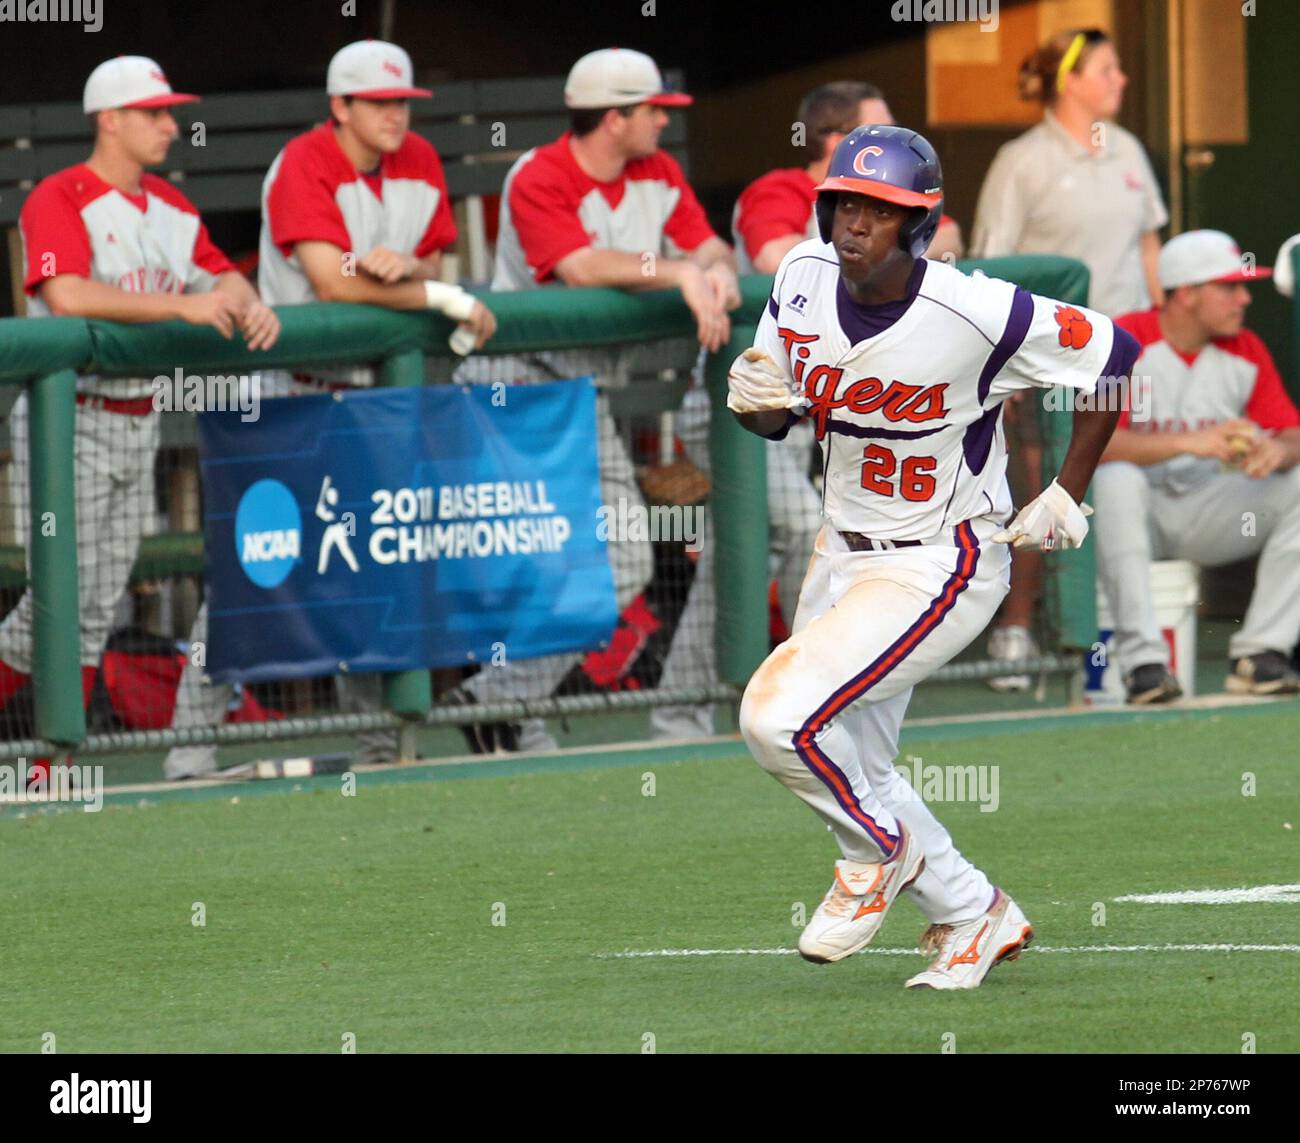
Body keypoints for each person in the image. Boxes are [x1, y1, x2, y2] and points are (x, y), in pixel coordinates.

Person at [730, 125, 1138, 988]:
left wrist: (1067, 487)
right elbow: (775, 418)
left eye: (880, 209)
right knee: (857, 762)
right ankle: (973, 912)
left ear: (920, 224)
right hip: (839, 549)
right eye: (844, 201)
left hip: (937, 562)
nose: (854, 222)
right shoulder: (801, 277)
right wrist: (757, 404)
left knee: (775, 718)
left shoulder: (975, 308)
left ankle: (879, 854)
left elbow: (1116, 356)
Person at [164, 39, 495, 779]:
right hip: (293, 393)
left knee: (375, 567)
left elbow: (433, 253)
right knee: (251, 570)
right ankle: (189, 749)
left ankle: (377, 750)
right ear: (340, 105)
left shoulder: (421, 161)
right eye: (377, 103)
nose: (394, 116)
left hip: (376, 397)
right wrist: (437, 295)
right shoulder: (304, 161)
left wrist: (413, 268)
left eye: (402, 103)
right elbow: (331, 281)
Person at [650, 81, 963, 742]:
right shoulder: (780, 191)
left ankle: (680, 709)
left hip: (814, 418)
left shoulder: (883, 213)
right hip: (745, 403)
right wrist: (900, 242)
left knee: (743, 553)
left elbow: (950, 243)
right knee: (799, 526)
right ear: (836, 142)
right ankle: (820, 694)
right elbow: (776, 258)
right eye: (878, 130)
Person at [0, 56, 280, 783]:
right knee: (53, 605)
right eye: (154, 112)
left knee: (94, 610)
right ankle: (47, 760)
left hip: (137, 418)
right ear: (110, 119)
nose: (171, 123)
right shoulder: (59, 196)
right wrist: (181, 306)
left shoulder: (172, 207)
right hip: (70, 420)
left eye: (169, 111)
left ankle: (48, 770)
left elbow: (221, 273)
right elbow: (67, 296)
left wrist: (246, 297)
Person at [454, 47, 740, 752]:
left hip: (580, 398)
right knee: (537, 560)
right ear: (614, 119)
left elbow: (709, 246)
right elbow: (579, 268)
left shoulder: (657, 170)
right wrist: (677, 270)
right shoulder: (538, 175)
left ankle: (498, 700)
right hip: (515, 393)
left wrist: (718, 274)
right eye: (651, 112)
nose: (662, 124)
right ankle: (471, 714)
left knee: (626, 562)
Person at [971, 27, 1167, 689]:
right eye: (1109, 70)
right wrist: (1005, 365)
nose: (1121, 80)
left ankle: (1116, 648)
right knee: (1036, 484)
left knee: (1118, 479)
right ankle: (1016, 630)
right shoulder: (1020, 161)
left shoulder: (1131, 150)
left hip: (1128, 355)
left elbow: (1148, 251)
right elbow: (993, 264)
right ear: (1071, 82)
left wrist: (1162, 336)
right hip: (1048, 357)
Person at [1093, 229, 1300, 702]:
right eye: (1229, 287)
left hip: (1208, 509)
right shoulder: (1123, 339)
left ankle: (1260, 654)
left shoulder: (1245, 348)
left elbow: (1291, 432)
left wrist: (1280, 452)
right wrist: (1191, 441)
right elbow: (1094, 446)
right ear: (1186, 293)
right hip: (1132, 513)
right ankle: (1144, 665)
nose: (1244, 298)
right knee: (1115, 478)